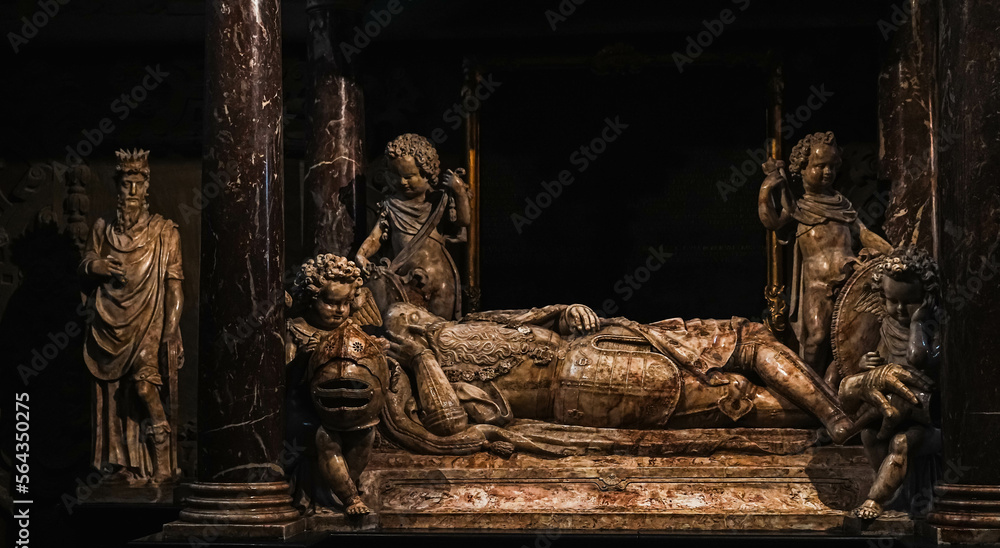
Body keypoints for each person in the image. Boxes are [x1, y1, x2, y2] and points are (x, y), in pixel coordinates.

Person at [378, 301, 929, 457]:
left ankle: (841, 409)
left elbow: (542, 316)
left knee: (747, 338)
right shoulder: (430, 374)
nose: (421, 323)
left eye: (421, 317)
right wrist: (420, 356)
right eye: (410, 326)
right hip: (595, 389)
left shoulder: (477, 323)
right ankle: (846, 409)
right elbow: (449, 427)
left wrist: (569, 310)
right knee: (736, 400)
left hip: (617, 344)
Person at [81, 149, 183, 484]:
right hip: (109, 322)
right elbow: (86, 263)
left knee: (144, 388)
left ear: (147, 186)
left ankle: (163, 465)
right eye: (127, 184)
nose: (133, 191)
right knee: (115, 397)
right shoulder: (102, 229)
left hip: (149, 322)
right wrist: (96, 266)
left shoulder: (165, 232)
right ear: (118, 187)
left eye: (138, 183)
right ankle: (123, 466)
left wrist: (171, 330)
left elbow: (174, 287)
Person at [758, 131, 891, 373]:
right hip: (818, 286)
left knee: (856, 338)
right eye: (820, 166)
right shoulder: (798, 208)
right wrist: (768, 186)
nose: (827, 172)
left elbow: (863, 234)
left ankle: (840, 380)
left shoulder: (843, 206)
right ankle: (810, 386)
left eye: (832, 166)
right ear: (802, 168)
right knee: (817, 338)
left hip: (850, 281)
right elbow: (771, 220)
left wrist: (892, 252)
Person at [286, 254, 387, 515]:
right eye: (331, 302)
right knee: (324, 437)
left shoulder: (352, 331)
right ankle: (348, 497)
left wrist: (380, 358)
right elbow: (284, 379)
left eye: (346, 303)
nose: (340, 310)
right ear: (310, 298)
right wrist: (305, 358)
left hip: (351, 408)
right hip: (306, 409)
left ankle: (341, 487)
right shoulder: (297, 330)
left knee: (365, 432)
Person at [848, 246, 941, 519]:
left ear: (926, 299)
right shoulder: (887, 326)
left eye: (909, 302)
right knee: (868, 435)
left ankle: (875, 500)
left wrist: (918, 322)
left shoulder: (935, 328)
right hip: (895, 407)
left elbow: (917, 357)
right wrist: (867, 364)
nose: (899, 309)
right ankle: (892, 489)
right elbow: (883, 361)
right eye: (892, 300)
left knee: (901, 442)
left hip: (927, 414)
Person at [356, 133, 471, 320]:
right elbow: (375, 237)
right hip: (404, 282)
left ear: (427, 174)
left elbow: (463, 221)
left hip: (441, 280)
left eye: (409, 176)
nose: (402, 182)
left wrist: (459, 191)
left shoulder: (438, 201)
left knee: (442, 329)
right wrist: (361, 255)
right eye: (396, 176)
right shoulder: (391, 205)